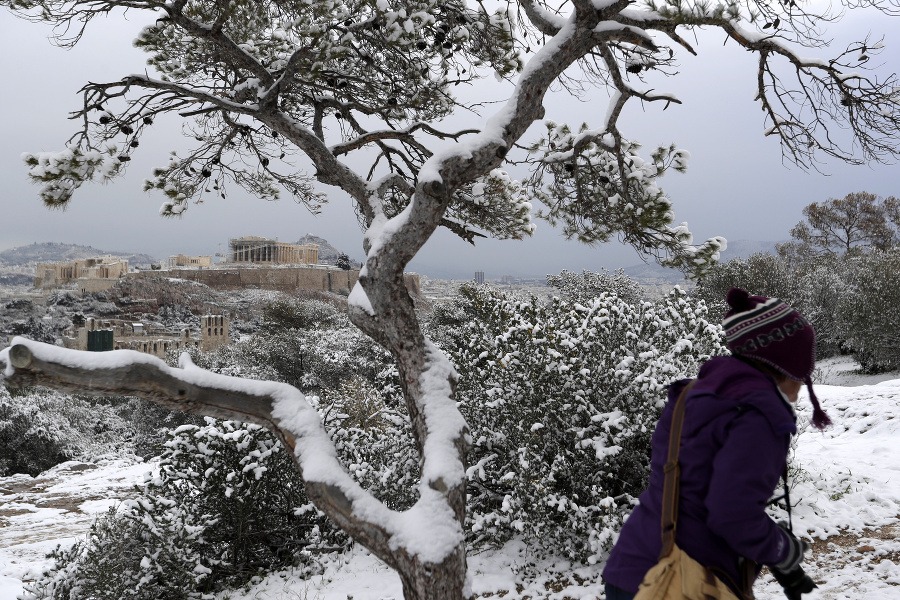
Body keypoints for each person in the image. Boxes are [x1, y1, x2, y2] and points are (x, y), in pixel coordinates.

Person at [602, 288, 830, 600]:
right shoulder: (761, 415)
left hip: (632, 567)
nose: (805, 381)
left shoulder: (693, 394)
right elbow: (732, 516)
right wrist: (782, 549)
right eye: (805, 367)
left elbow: (690, 490)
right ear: (789, 363)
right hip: (684, 581)